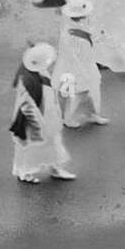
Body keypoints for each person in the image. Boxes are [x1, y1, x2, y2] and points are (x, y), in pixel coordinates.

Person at [10, 42, 76, 183]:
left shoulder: (38, 73)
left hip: (49, 119)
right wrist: (39, 126)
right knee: (30, 149)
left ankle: (54, 168)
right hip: (35, 124)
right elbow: (27, 106)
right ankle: (25, 172)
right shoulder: (28, 81)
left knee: (53, 144)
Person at [52, 0, 109, 127]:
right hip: (74, 68)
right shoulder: (70, 33)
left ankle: (92, 114)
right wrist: (82, 72)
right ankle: (67, 118)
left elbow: (90, 40)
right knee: (77, 93)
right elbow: (71, 55)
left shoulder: (75, 26)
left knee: (90, 90)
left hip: (85, 64)